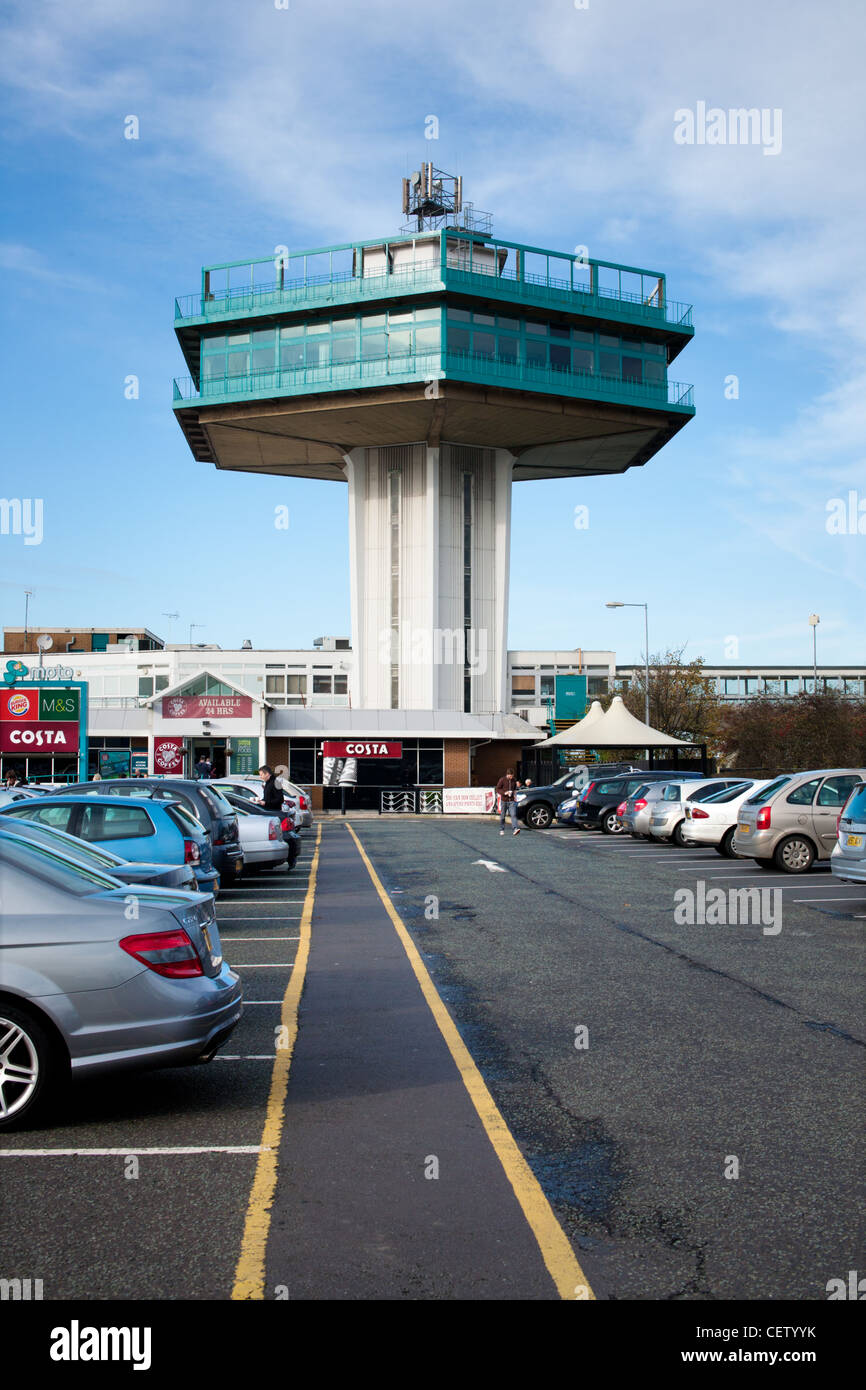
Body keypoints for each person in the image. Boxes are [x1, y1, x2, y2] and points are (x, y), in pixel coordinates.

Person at [495, 767, 521, 836]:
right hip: (504, 800)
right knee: (503, 816)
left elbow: (515, 789)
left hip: (512, 800)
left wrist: (515, 796)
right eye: (510, 776)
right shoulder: (502, 780)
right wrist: (504, 793)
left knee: (513, 814)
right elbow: (497, 789)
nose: (511, 777)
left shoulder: (514, 780)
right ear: (507, 774)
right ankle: (502, 829)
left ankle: (515, 829)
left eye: (512, 776)